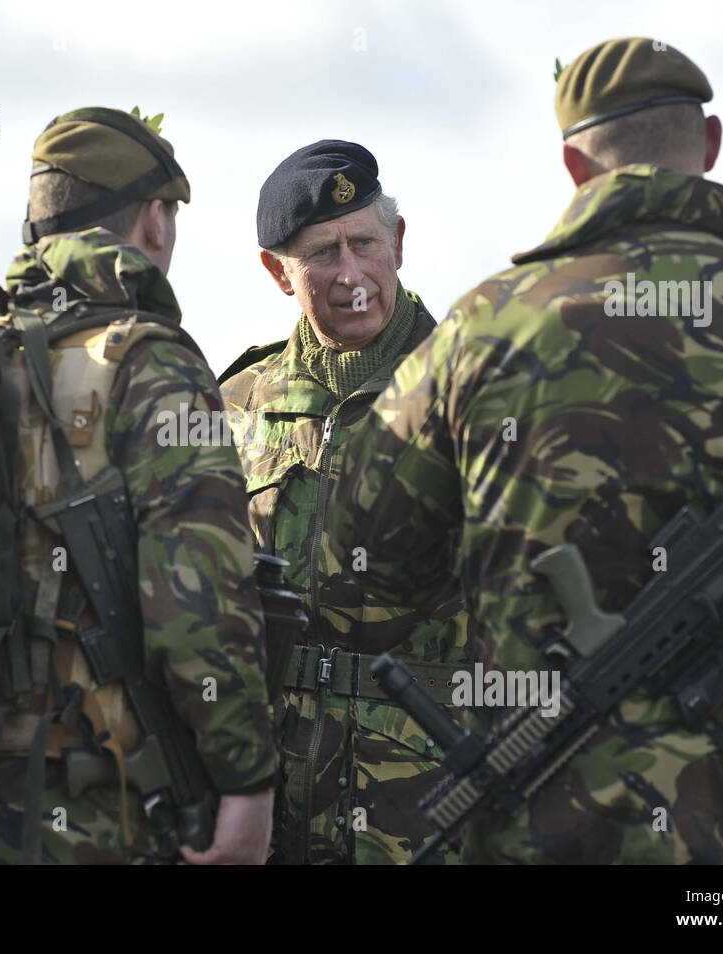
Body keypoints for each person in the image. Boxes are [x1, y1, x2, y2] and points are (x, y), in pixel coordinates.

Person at [331, 36, 723, 863]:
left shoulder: (480, 332)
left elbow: (364, 562)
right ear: (710, 145)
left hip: (547, 835)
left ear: (574, 166)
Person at [0, 106, 278, 864]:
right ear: (154, 223)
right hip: (95, 811)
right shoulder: (151, 365)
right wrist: (247, 782)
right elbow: (196, 607)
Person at [217, 140, 475, 864]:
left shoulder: (473, 385)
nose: (352, 274)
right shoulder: (235, 403)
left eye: (365, 242)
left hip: (428, 796)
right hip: (266, 802)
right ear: (278, 272)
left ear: (398, 241)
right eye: (323, 254)